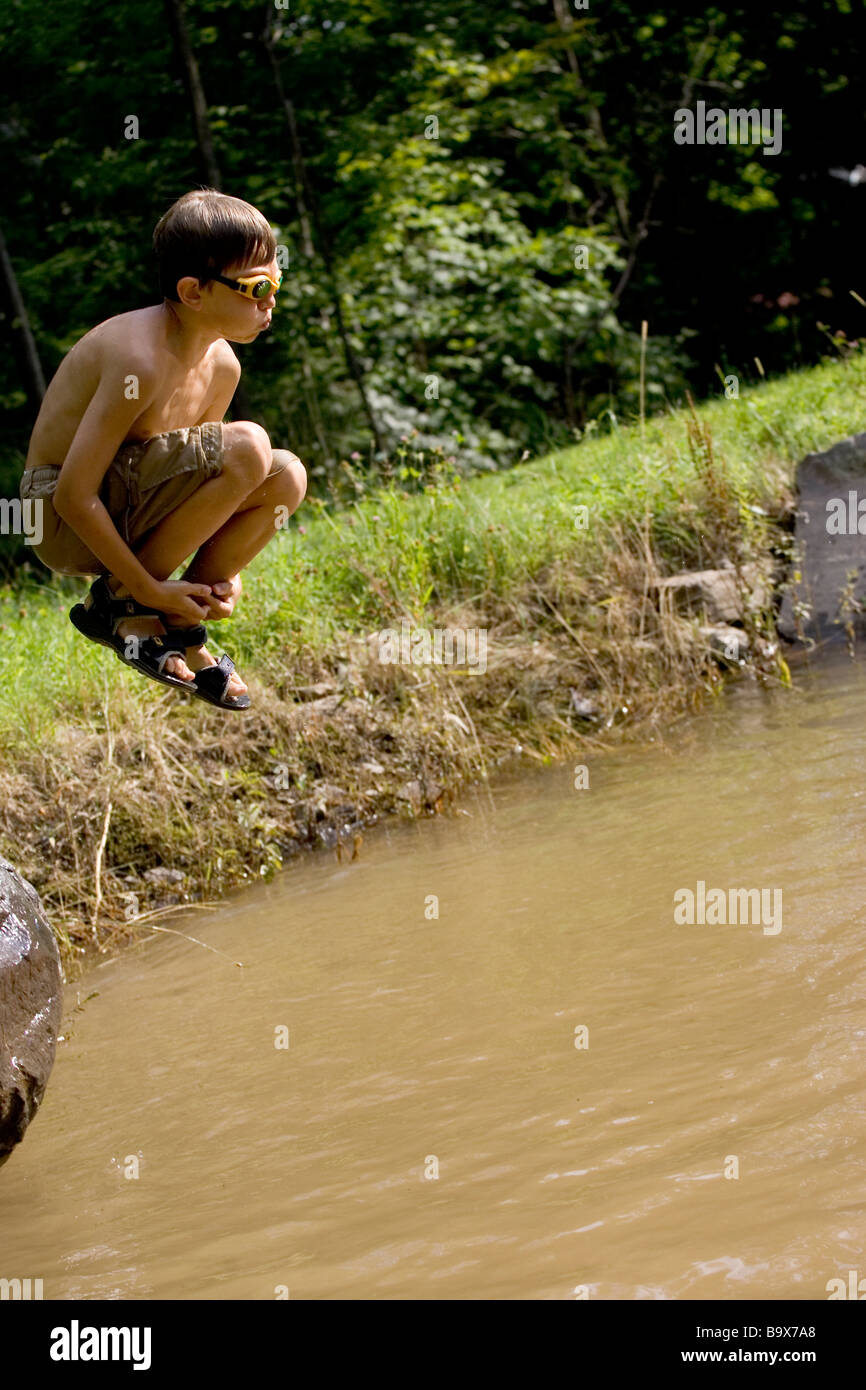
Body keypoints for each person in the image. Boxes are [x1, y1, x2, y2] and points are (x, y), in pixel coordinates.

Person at [19, 188, 306, 710]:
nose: (271, 300)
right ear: (194, 292)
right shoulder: (138, 358)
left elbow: (204, 487)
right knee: (251, 445)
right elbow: (71, 495)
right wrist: (148, 588)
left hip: (127, 512)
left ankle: (179, 624)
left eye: (277, 281)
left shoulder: (223, 366)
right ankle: (126, 607)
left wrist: (223, 574)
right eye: (256, 285)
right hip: (59, 517)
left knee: (287, 475)